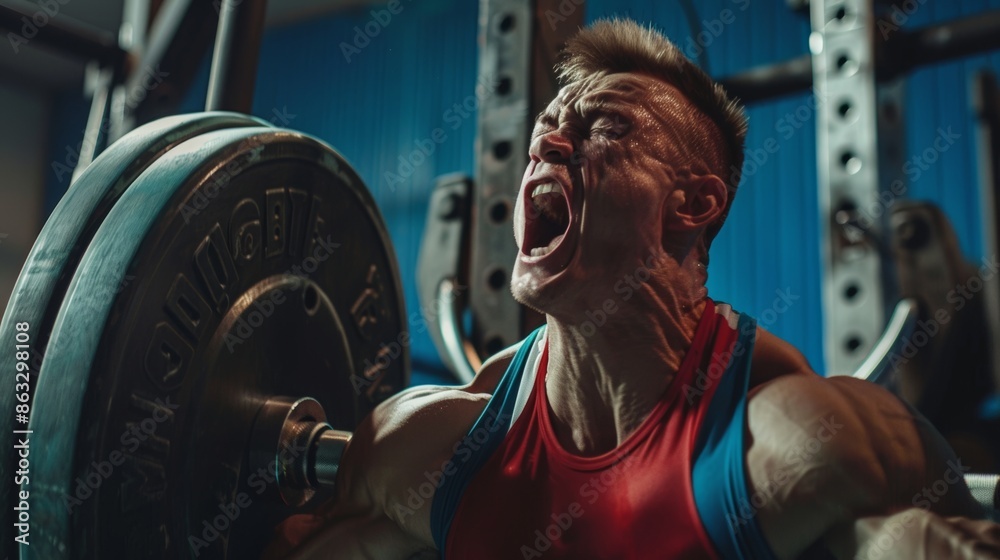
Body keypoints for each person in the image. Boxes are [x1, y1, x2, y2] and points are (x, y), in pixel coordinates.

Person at [264, 18, 1000, 559]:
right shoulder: (425, 450)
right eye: (546, 130)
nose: (547, 143)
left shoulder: (797, 448)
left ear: (694, 204)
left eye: (605, 127)